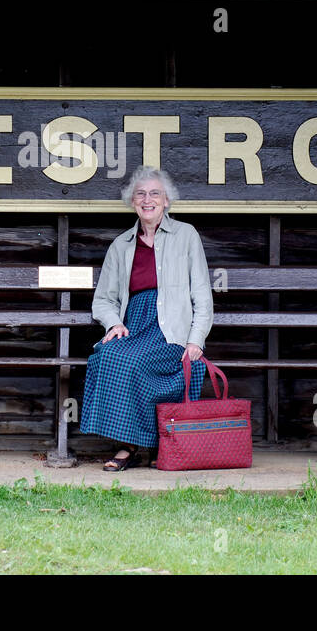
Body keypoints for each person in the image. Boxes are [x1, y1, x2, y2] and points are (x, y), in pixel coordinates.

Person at [80, 165, 214, 470]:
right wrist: (114, 323)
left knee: (133, 362)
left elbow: (203, 297)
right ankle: (133, 443)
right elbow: (102, 300)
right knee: (106, 355)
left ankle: (140, 445)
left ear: (167, 201)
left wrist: (196, 341)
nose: (147, 199)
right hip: (135, 326)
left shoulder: (186, 236)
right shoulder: (121, 246)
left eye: (155, 193)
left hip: (171, 331)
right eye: (140, 194)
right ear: (132, 202)